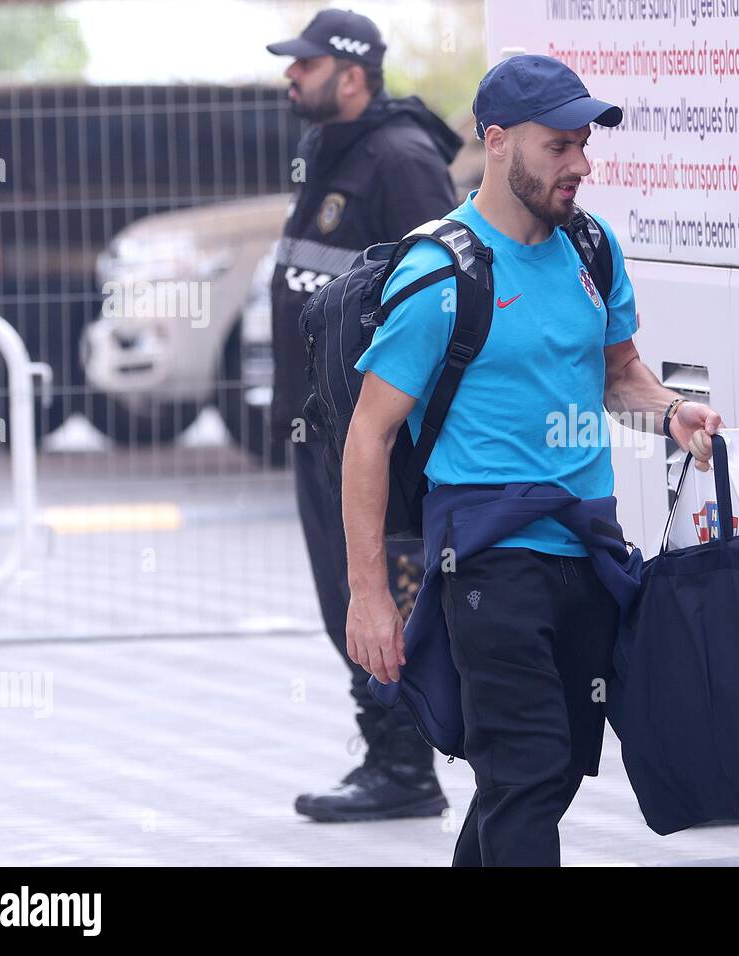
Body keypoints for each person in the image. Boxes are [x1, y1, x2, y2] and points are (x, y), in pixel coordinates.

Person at [340, 54, 725, 865]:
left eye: (584, 145)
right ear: (499, 141)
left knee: (543, 777)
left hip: (586, 552)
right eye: (560, 147)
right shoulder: (440, 270)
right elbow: (369, 435)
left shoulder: (590, 246)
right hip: (488, 561)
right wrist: (369, 594)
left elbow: (622, 375)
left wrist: (672, 413)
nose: (580, 165)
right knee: (527, 765)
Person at [265, 8, 463, 822]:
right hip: (320, 430)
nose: (289, 76)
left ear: (351, 73)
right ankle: (390, 756)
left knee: (378, 589)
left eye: (303, 64)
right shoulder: (325, 150)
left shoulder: (403, 160)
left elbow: (442, 296)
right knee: (339, 597)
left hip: (370, 436)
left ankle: (405, 766)